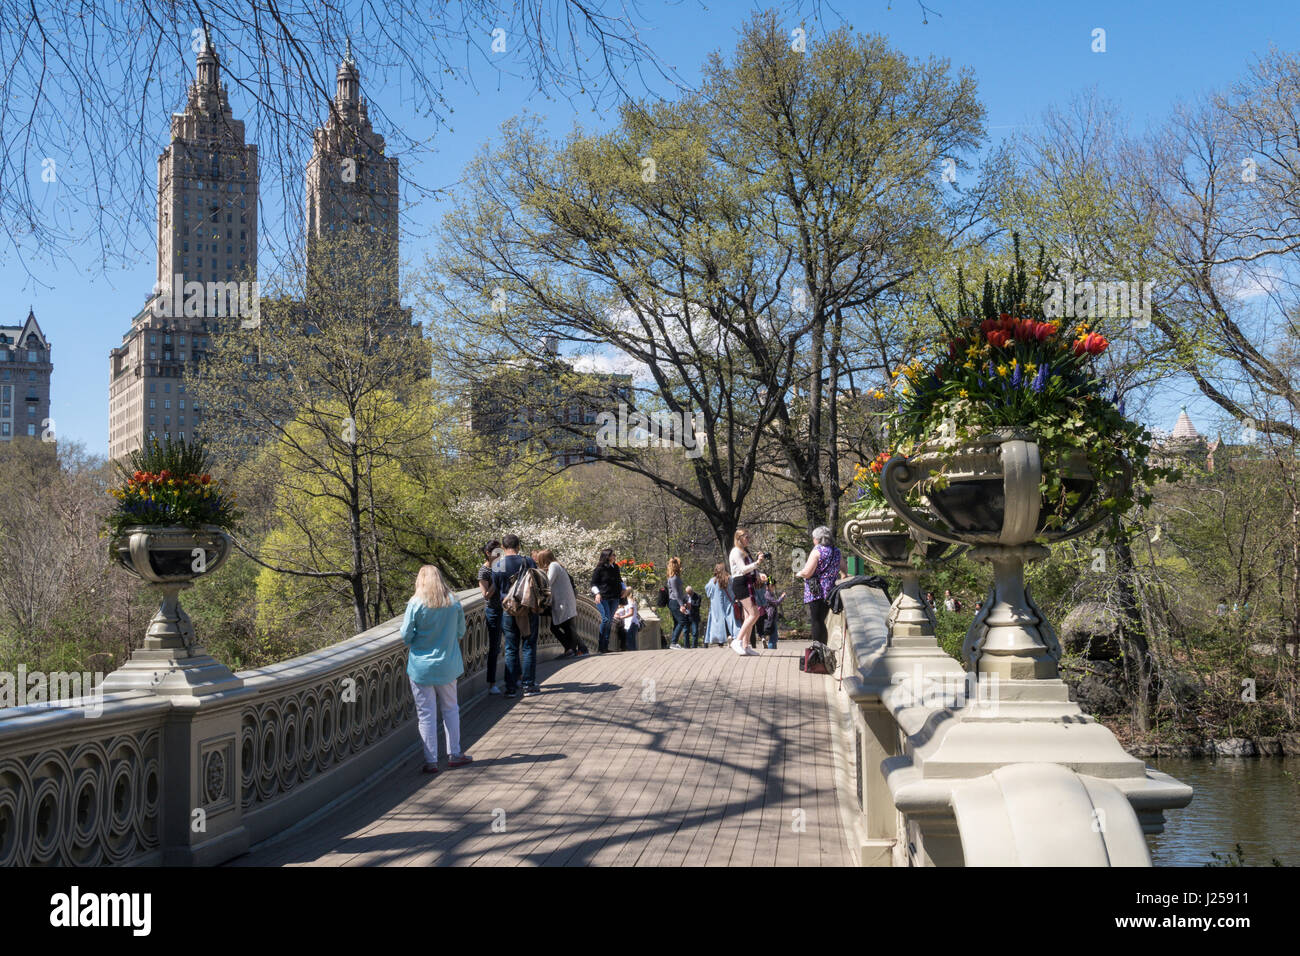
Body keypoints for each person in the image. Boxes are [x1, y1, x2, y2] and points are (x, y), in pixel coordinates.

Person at [401, 565, 472, 774]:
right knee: (451, 709)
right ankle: (455, 754)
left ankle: (431, 760)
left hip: (421, 667)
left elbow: (405, 635)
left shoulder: (415, 603)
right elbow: (461, 631)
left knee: (426, 715)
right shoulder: (454, 603)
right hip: (448, 665)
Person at [492, 534, 540, 698]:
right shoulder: (528, 562)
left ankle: (511, 687)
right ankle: (528, 685)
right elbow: (536, 582)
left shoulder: (498, 564)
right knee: (528, 646)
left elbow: (496, 586)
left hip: (508, 609)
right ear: (518, 546)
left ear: (504, 548)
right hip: (527, 608)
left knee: (511, 648)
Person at [796, 525, 846, 647]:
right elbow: (844, 569)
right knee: (822, 620)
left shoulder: (817, 551)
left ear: (817, 539)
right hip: (830, 591)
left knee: (816, 621)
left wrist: (799, 573)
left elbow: (807, 573)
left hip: (816, 591)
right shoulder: (836, 551)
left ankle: (817, 648)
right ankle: (823, 647)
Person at [538, 549, 586, 658]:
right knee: (566, 627)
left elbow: (548, 582)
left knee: (562, 627)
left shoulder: (554, 566)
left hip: (562, 603)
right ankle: (573, 649)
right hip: (565, 602)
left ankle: (571, 649)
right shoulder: (557, 565)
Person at [729, 528, 766, 656]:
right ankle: (737, 641)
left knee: (748, 616)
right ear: (739, 538)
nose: (748, 539)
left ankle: (746, 645)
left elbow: (750, 570)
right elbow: (743, 569)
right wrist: (757, 562)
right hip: (740, 583)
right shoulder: (736, 552)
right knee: (754, 614)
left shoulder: (745, 552)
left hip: (748, 582)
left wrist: (759, 574)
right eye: (746, 537)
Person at [476, 540, 504, 696]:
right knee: (494, 647)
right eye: (497, 552)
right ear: (488, 553)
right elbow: (486, 595)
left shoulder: (500, 566)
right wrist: (497, 580)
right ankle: (492, 683)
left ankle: (516, 677)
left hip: (506, 609)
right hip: (493, 611)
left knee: (512, 644)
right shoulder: (484, 571)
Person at [590, 548, 623, 654]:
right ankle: (601, 645)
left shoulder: (616, 567)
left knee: (610, 621)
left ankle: (605, 645)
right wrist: (597, 593)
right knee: (606, 619)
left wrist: (625, 589)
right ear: (607, 556)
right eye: (613, 555)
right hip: (603, 598)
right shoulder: (600, 568)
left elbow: (620, 580)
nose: (615, 557)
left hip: (615, 598)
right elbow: (593, 583)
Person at [704, 563, 734, 647]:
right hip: (728, 603)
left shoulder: (712, 581)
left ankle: (720, 641)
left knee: (718, 621)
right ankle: (730, 636)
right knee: (729, 619)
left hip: (716, 605)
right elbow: (733, 591)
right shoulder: (730, 579)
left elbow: (708, 592)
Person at [666, 556, 689, 649]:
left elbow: (679, 593)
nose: (681, 567)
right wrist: (681, 605)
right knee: (682, 621)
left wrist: (684, 600)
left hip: (674, 601)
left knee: (677, 622)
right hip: (675, 602)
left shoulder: (673, 578)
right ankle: (673, 642)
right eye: (680, 565)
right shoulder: (674, 579)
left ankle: (674, 642)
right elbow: (676, 593)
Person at [759, 578, 786, 650]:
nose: (773, 587)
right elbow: (776, 603)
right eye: (772, 585)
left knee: (774, 636)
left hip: (772, 616)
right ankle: (771, 650)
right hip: (770, 617)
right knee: (773, 636)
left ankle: (773, 649)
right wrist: (782, 597)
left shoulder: (770, 593)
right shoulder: (767, 594)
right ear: (767, 586)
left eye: (774, 585)